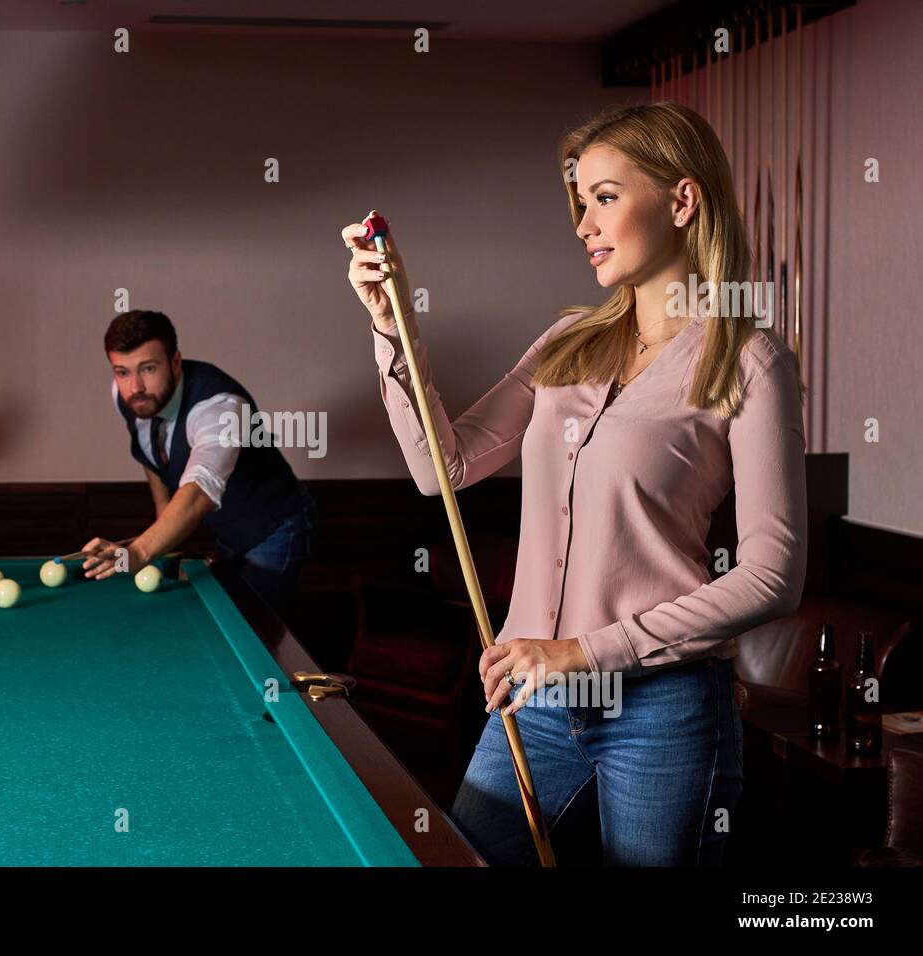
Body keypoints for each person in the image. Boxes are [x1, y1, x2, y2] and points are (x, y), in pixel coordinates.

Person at [344, 102, 807, 866]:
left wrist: (585, 652)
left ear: (683, 201)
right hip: (536, 700)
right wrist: (392, 324)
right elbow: (442, 467)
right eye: (579, 204)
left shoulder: (752, 358)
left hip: (666, 705)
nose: (584, 224)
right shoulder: (568, 343)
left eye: (604, 197)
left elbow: (772, 576)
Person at [82, 310, 316, 617]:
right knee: (228, 612)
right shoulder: (129, 396)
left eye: (148, 368)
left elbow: (200, 489)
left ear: (175, 362)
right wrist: (162, 531)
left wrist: (139, 551)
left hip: (275, 526)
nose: (134, 386)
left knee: (256, 627)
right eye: (122, 372)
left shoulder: (220, 408)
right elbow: (151, 454)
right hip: (229, 529)